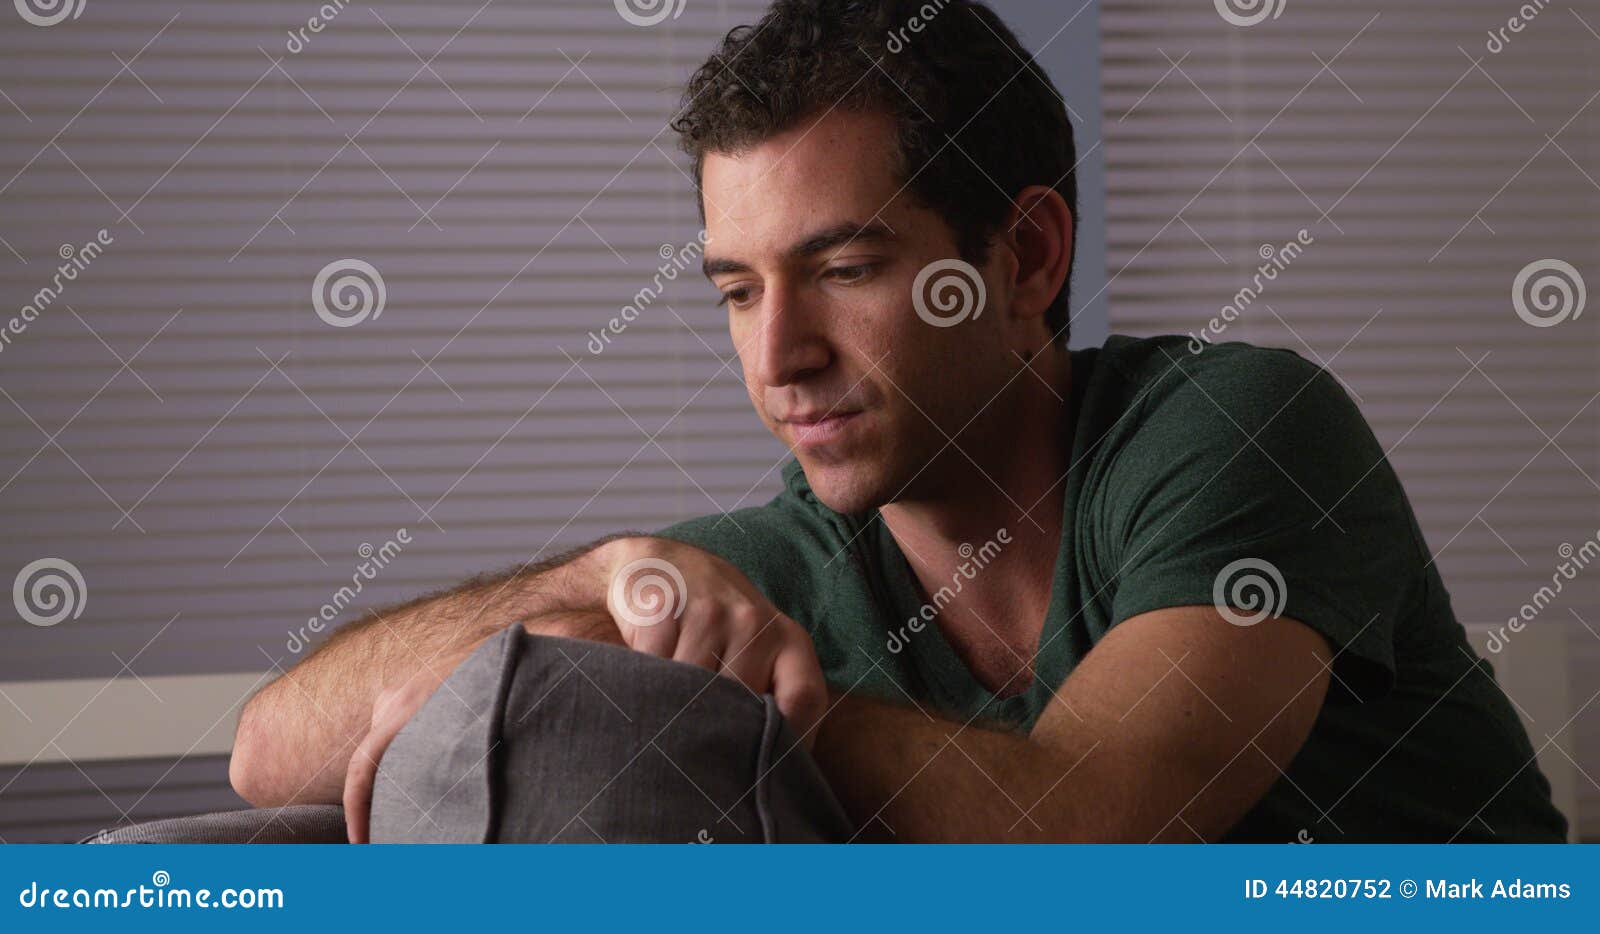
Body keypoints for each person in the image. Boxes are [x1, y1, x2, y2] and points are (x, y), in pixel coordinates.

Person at [228, 0, 1568, 843]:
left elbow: (1090, 826)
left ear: (1027, 257)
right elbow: (267, 747)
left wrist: (711, 697)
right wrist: (590, 586)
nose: (779, 355)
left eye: (847, 270)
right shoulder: (767, 567)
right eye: (737, 290)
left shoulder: (1239, 430)